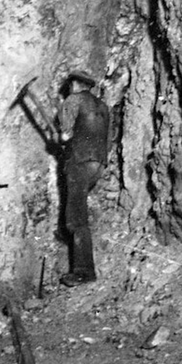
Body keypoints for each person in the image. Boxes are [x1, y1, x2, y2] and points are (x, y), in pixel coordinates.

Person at [56, 70, 109, 287]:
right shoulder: (104, 107)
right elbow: (108, 139)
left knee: (76, 219)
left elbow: (65, 135)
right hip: (98, 163)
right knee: (76, 210)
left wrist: (61, 138)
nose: (69, 87)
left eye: (70, 84)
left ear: (76, 84)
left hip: (79, 161)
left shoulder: (73, 100)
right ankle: (67, 236)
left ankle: (83, 271)